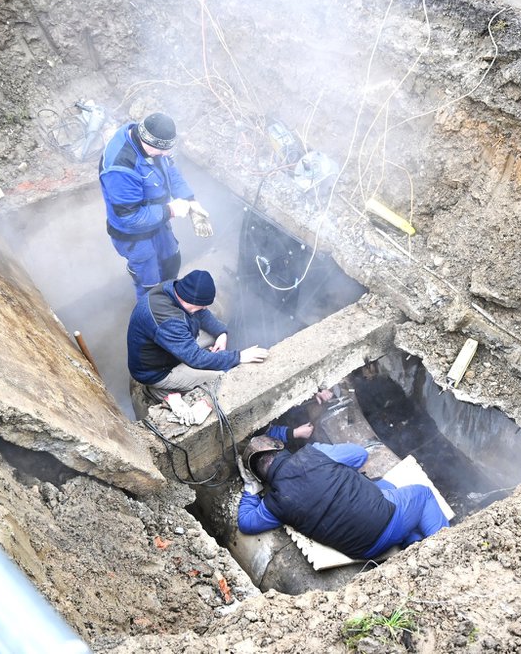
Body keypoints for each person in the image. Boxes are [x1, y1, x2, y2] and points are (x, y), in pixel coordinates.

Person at [236, 422, 449, 560]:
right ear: (279, 448)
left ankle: (413, 542)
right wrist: (327, 458)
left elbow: (246, 522)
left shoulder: (275, 503)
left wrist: (250, 490)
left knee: (385, 487)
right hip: (386, 520)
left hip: (364, 550)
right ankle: (447, 550)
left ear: (261, 477)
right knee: (422, 494)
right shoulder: (314, 454)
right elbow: (359, 455)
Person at [99, 112, 214, 298]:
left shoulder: (151, 141)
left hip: (157, 222)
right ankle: (151, 318)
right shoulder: (120, 168)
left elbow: (171, 173)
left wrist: (190, 200)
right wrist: (171, 210)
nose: (166, 154)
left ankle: (167, 299)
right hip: (134, 236)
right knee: (149, 285)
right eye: (161, 151)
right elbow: (130, 218)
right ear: (147, 141)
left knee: (171, 262)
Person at [127, 269, 268, 404]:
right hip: (158, 372)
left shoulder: (176, 288)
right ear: (191, 301)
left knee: (214, 339)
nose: (205, 309)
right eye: (203, 305)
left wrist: (221, 333)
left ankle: (209, 360)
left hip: (168, 350)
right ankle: (160, 391)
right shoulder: (168, 321)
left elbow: (201, 313)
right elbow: (195, 358)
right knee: (222, 378)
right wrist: (239, 357)